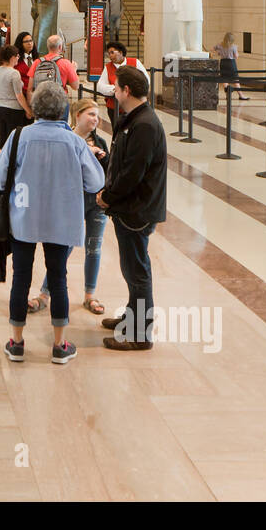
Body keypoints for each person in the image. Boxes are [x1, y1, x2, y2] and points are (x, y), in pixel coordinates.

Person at [0, 82, 104, 364]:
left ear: (36, 107)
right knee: (58, 278)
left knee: (21, 277)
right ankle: (59, 345)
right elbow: (96, 182)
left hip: (23, 218)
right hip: (62, 219)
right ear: (63, 109)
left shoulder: (19, 137)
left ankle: (16, 342)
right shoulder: (75, 143)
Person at [97, 65, 166, 351]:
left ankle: (139, 334)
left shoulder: (145, 125)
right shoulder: (134, 119)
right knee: (131, 267)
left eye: (116, 87)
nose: (113, 90)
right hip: (130, 207)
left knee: (137, 271)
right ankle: (132, 316)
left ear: (126, 90)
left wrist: (108, 196)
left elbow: (132, 172)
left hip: (136, 209)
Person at [28, 97, 111, 316]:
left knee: (94, 247)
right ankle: (45, 293)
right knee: (62, 249)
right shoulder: (66, 140)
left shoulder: (100, 143)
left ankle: (89, 295)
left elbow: (106, 173)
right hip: (72, 202)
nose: (96, 119)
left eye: (97, 115)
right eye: (91, 114)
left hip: (96, 203)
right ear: (77, 115)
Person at [0, 45, 33, 148]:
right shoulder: (14, 73)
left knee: (2, 138)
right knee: (14, 139)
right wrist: (28, 110)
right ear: (12, 58)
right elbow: (19, 95)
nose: (18, 58)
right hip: (14, 110)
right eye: (17, 56)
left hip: (0, 108)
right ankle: (12, 162)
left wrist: (1, 104)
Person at [27, 33, 78, 98]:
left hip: (40, 101)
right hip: (59, 101)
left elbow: (30, 89)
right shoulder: (66, 63)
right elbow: (75, 86)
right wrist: (74, 70)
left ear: (48, 46)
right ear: (60, 47)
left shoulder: (37, 62)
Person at [212, 32, 247, 102]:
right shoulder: (233, 46)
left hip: (223, 62)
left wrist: (219, 53)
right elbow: (236, 56)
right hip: (231, 63)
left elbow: (213, 49)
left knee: (225, 79)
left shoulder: (220, 45)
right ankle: (241, 95)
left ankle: (227, 95)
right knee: (235, 79)